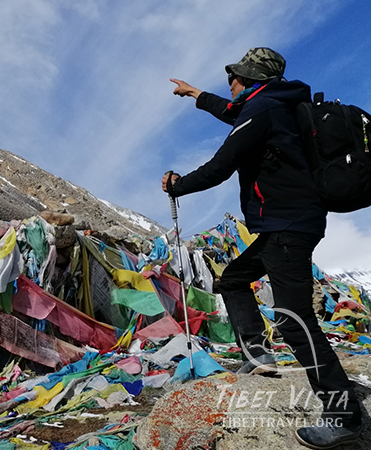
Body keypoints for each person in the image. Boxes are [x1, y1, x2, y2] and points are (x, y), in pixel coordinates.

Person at [164, 48, 363, 449]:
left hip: (286, 227)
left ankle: (345, 417)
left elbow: (222, 164)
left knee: (293, 320)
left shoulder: (264, 110)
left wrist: (177, 184)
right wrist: (196, 94)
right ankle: (258, 354)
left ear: (251, 80)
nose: (230, 86)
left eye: (234, 79)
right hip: (288, 225)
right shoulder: (276, 105)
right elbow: (236, 113)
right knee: (234, 280)